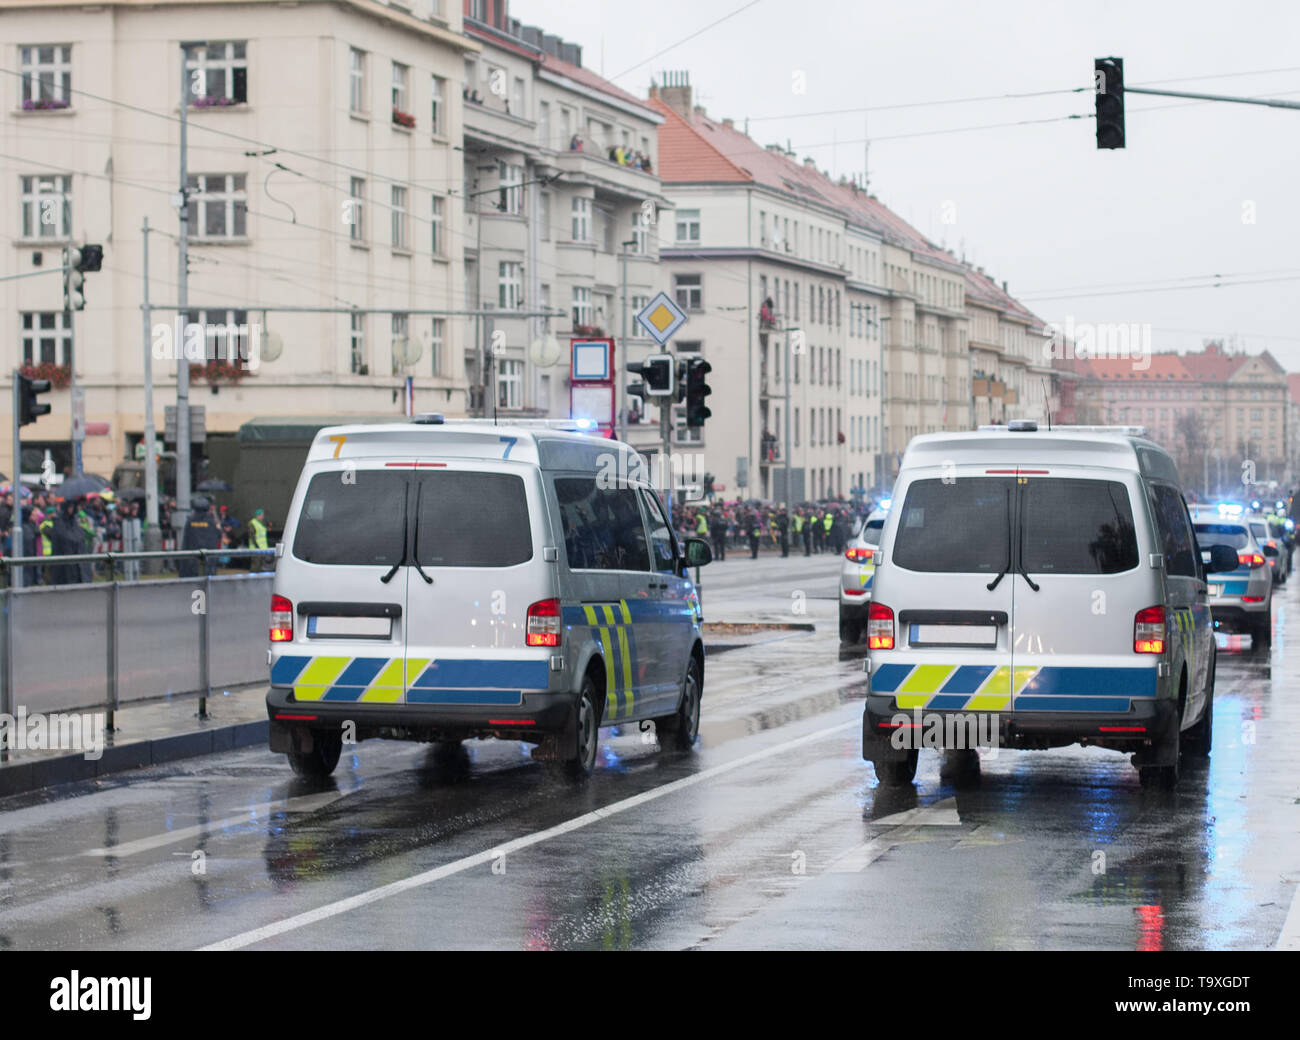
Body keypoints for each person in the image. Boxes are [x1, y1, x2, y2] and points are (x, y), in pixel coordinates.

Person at [179, 496, 221, 578]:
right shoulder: (211, 521)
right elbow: (218, 535)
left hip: (192, 560)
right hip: (207, 560)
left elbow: (186, 540)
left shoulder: (190, 521)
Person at [49, 499, 87, 585]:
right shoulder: (59, 522)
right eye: (70, 507)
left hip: (76, 561)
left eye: (73, 507)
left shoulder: (74, 521)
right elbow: (63, 537)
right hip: (64, 563)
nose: (71, 509)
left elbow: (79, 537)